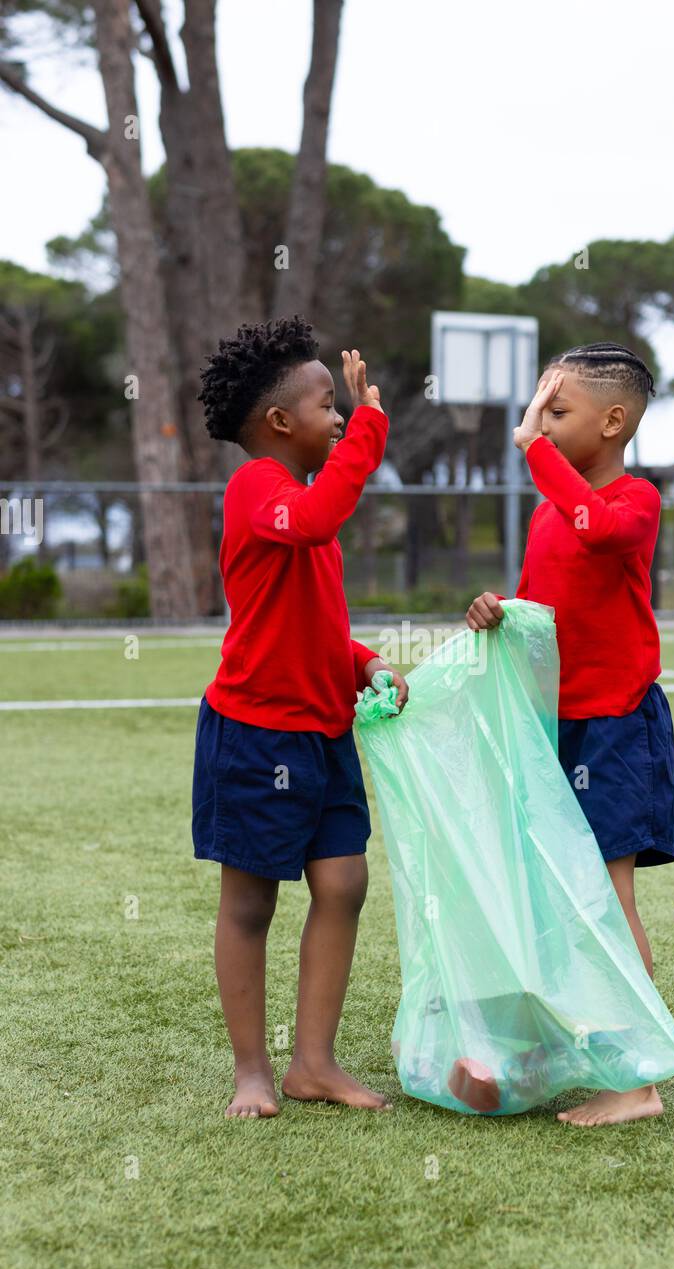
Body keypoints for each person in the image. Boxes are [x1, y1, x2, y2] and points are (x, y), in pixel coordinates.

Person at [193, 316, 408, 1118]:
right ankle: (252, 1070)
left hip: (323, 731)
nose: (343, 419)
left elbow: (312, 620)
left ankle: (311, 1063)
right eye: (330, 406)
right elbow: (318, 518)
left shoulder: (303, 506)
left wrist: (365, 663)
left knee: (344, 883)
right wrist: (373, 431)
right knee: (250, 902)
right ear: (280, 423)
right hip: (255, 733)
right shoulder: (259, 489)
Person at [466, 342, 674, 1127]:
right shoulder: (553, 508)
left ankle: (639, 1079)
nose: (538, 425)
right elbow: (538, 613)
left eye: (555, 411)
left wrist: (527, 448)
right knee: (549, 898)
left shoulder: (634, 501)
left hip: (614, 726)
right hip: (548, 725)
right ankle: (548, 1053)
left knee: (604, 896)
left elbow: (596, 534)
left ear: (613, 421)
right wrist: (495, 611)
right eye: (537, 412)